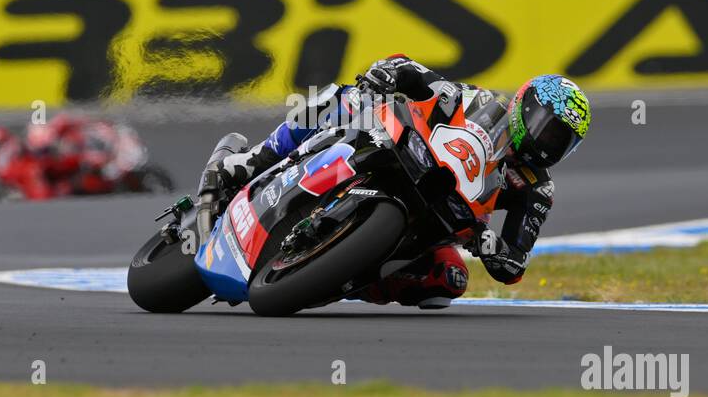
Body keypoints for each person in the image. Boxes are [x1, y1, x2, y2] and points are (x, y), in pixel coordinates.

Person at [212, 55, 591, 307]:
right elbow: (416, 74)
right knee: (344, 99)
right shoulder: (479, 100)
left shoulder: (537, 189)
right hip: (408, 152)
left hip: (442, 216)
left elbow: (515, 264)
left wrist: (494, 248)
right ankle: (253, 159)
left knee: (449, 281)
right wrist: (389, 73)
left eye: (563, 142)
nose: (550, 144)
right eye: (548, 129)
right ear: (526, 107)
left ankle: (339, 278)